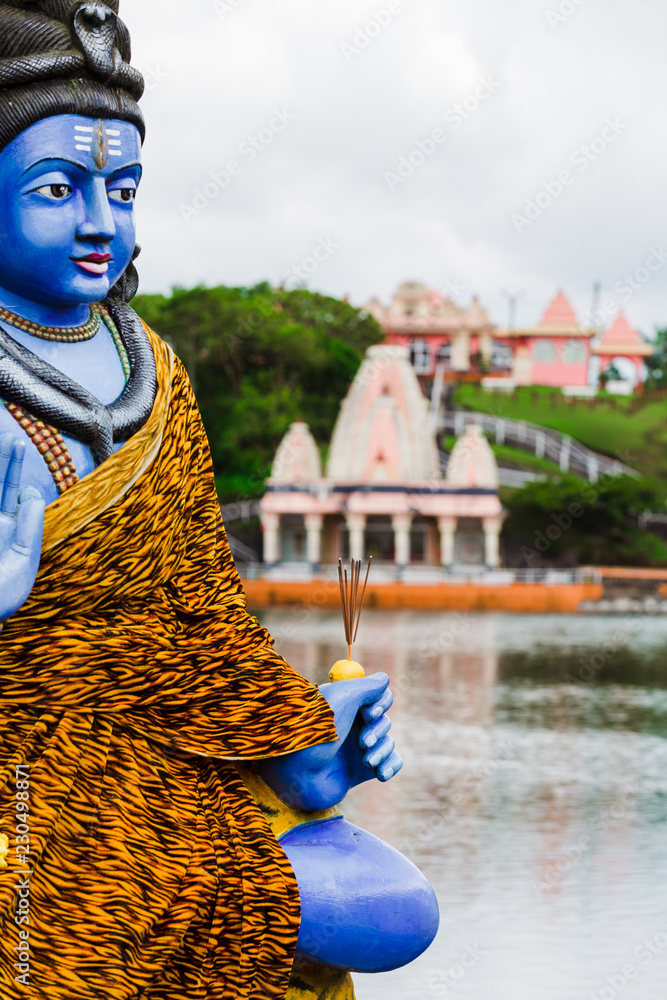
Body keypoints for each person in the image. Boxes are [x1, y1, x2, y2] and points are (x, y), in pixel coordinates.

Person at [0, 3, 437, 998]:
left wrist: (304, 747)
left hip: (160, 769)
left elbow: (205, 619)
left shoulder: (154, 372)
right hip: (24, 779)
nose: (100, 222)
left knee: (393, 909)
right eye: (58, 188)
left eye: (123, 187)